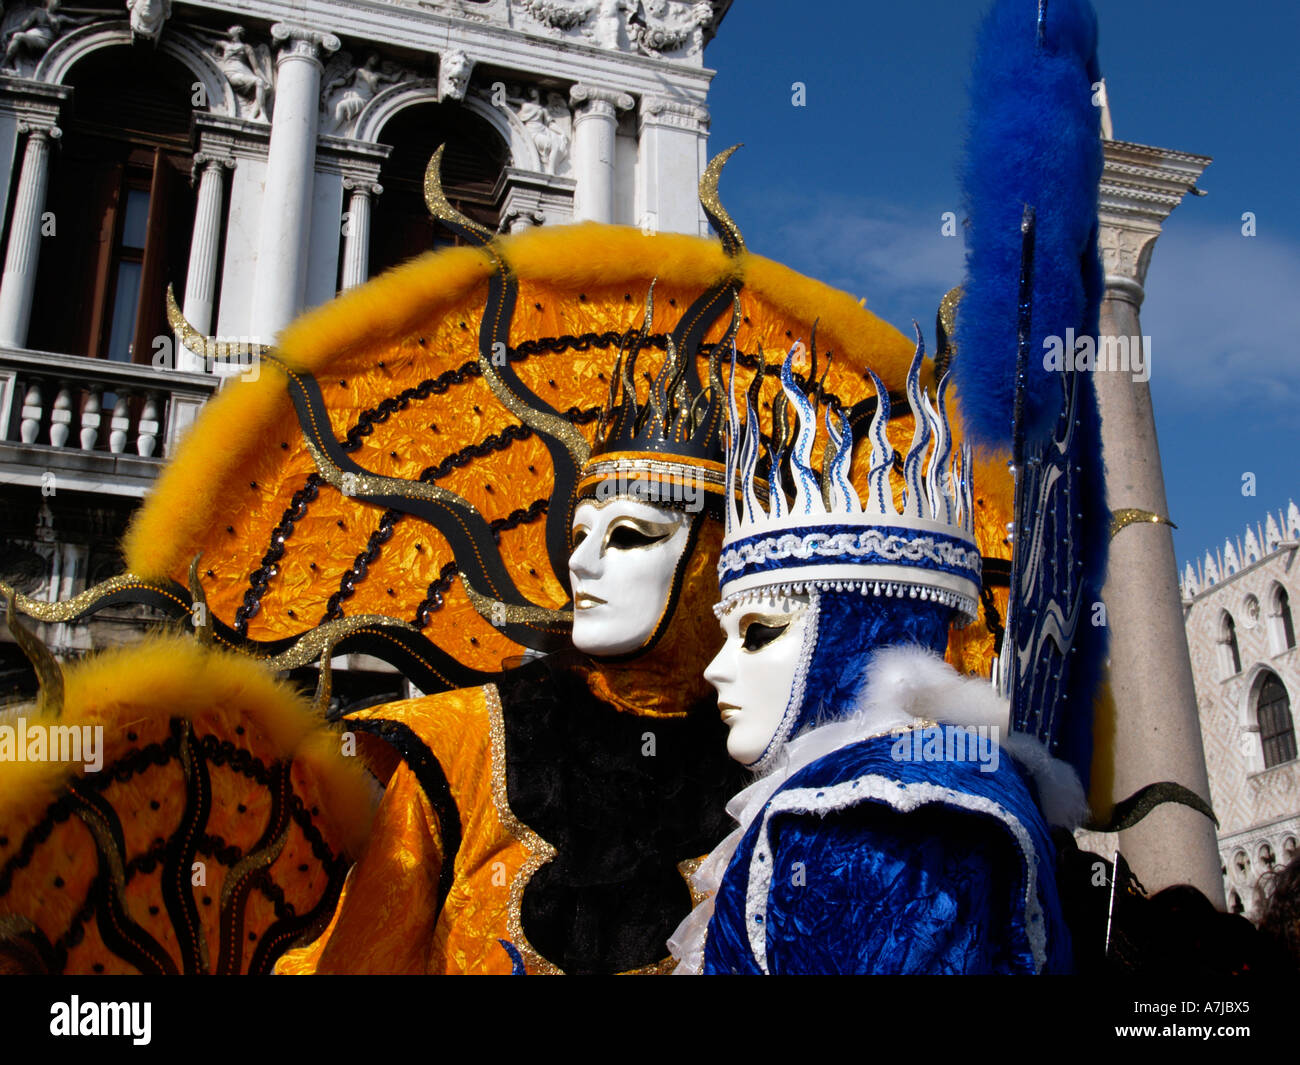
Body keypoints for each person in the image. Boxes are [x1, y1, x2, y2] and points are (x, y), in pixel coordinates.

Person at [670, 343, 1082, 974]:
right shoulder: (928, 778)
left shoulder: (875, 817)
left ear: (851, 639)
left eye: (760, 632)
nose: (713, 671)